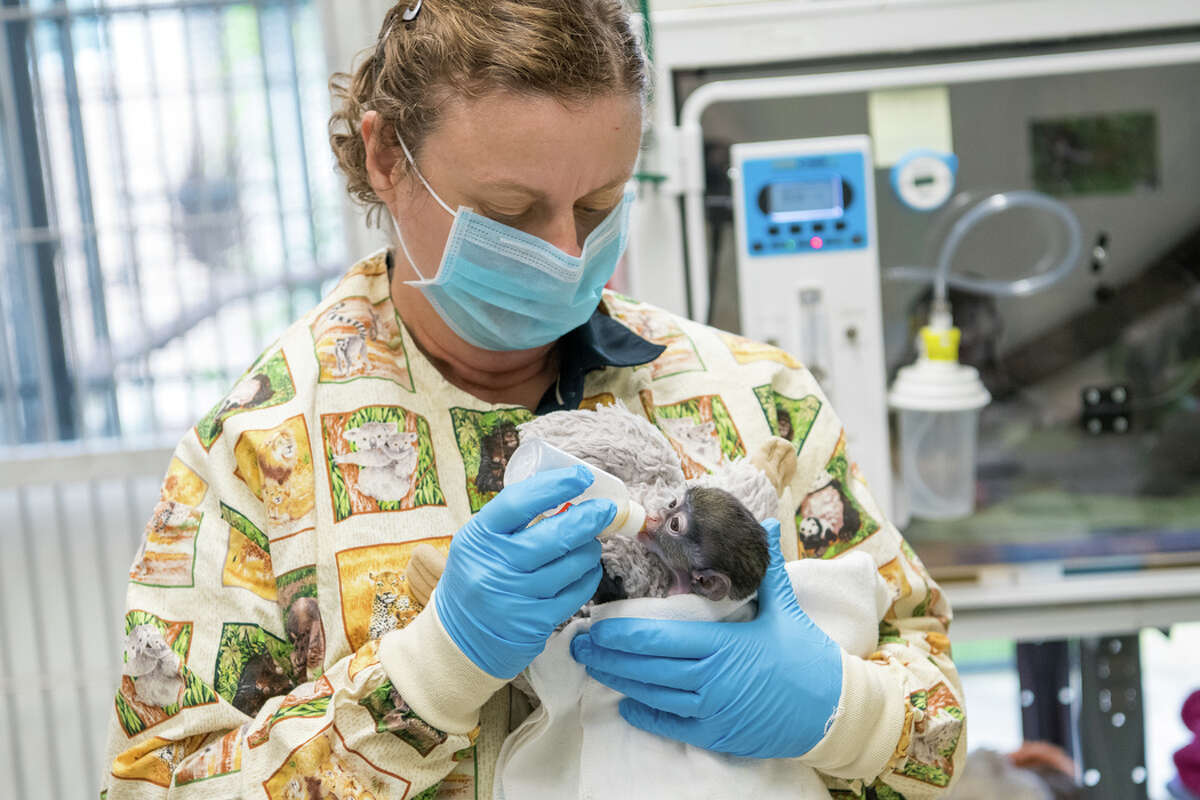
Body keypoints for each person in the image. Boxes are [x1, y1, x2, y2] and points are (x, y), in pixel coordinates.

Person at [100, 1, 965, 797]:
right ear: (386, 157)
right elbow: (152, 784)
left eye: (598, 204)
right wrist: (429, 674)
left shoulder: (756, 398)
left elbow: (938, 728)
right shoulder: (259, 453)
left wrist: (846, 717)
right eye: (511, 213)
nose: (565, 252)